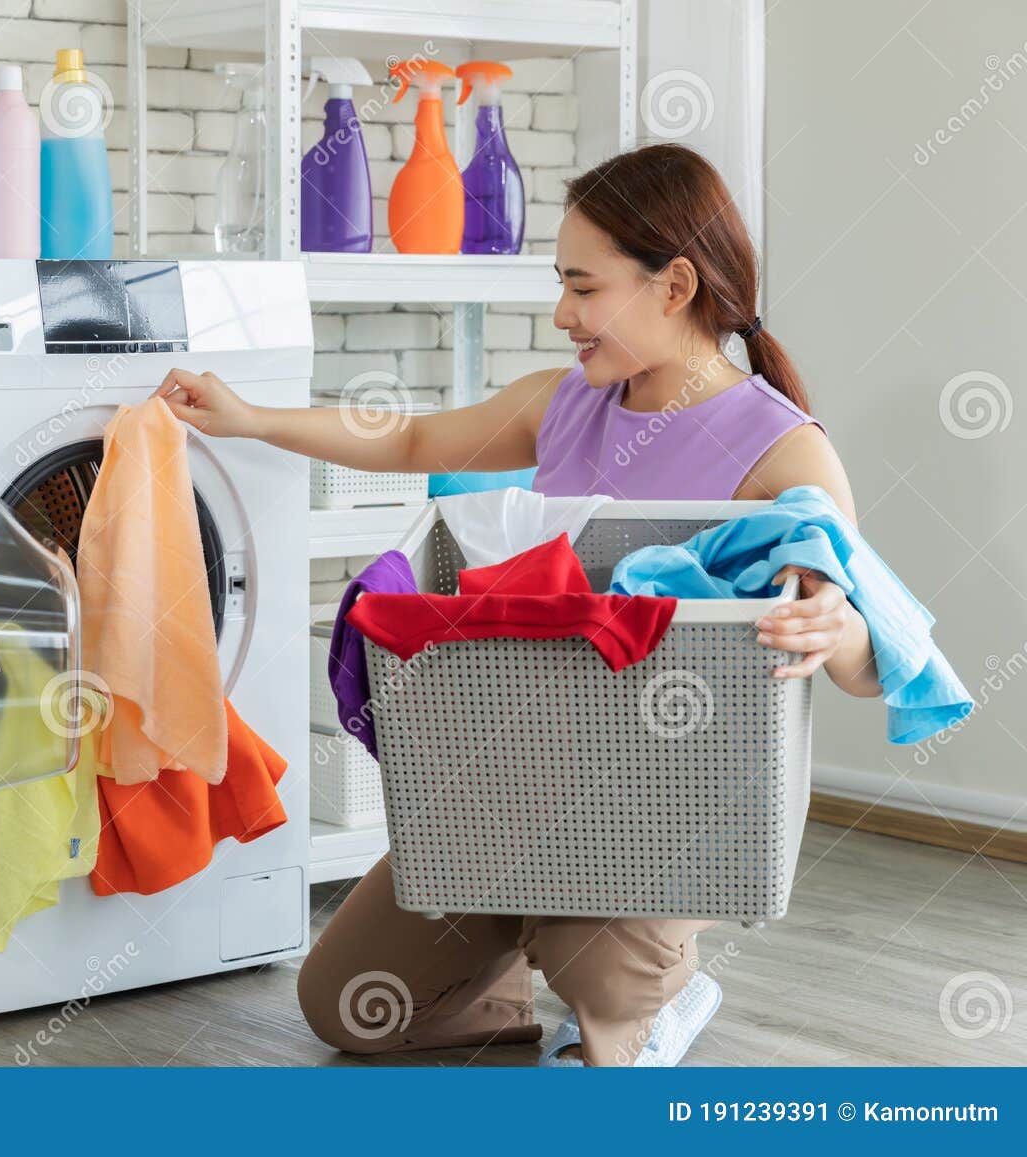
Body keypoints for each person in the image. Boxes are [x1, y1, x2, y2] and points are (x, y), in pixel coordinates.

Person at [152, 143, 882, 1067]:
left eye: (583, 287)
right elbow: (412, 438)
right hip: (515, 786)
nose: (561, 314)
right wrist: (252, 418)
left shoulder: (783, 452)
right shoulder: (564, 403)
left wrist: (838, 628)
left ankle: (656, 994)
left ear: (674, 286)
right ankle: (508, 979)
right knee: (347, 1007)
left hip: (662, 815)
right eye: (559, 285)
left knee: (593, 977)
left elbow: (866, 659)